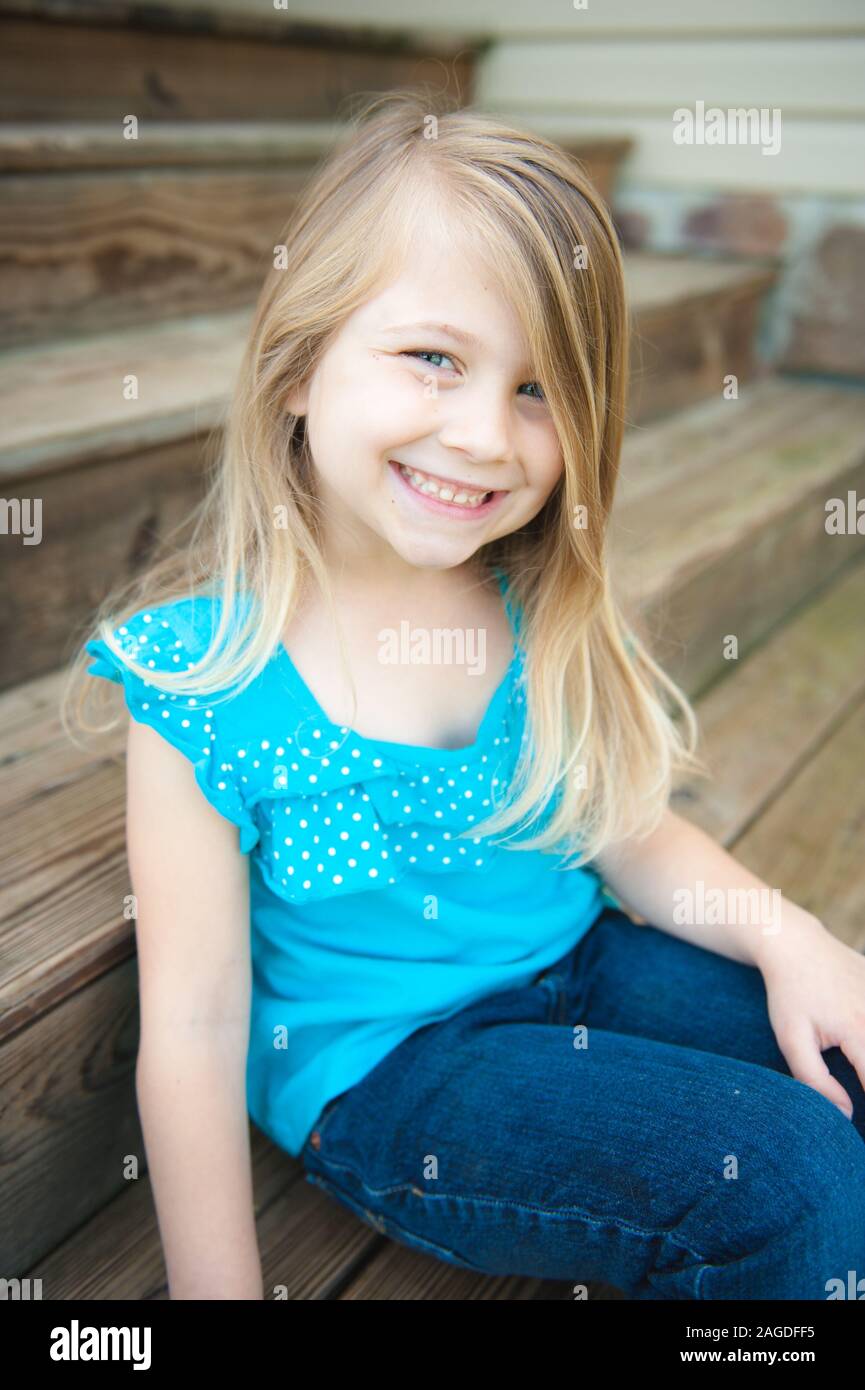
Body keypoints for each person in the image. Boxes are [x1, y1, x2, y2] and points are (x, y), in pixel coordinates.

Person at [66, 91, 865, 1300]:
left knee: (847, 1059)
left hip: (579, 967)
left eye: (539, 389)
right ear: (298, 367)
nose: (488, 437)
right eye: (433, 358)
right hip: (398, 1073)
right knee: (789, 1173)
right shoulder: (200, 684)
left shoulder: (523, 601)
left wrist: (788, 934)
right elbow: (190, 1024)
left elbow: (626, 828)